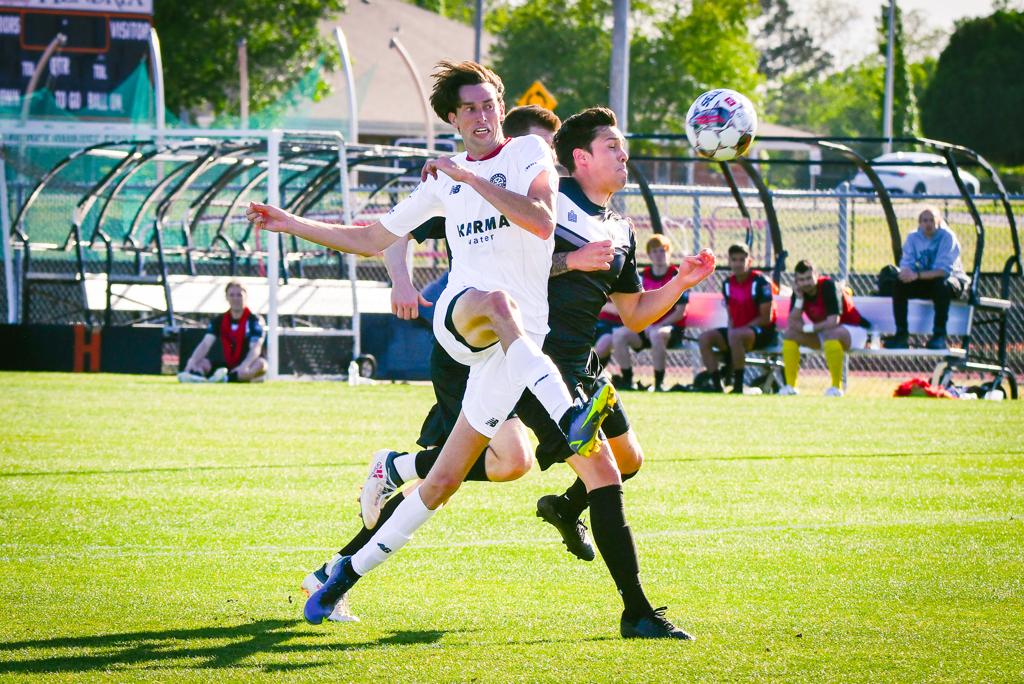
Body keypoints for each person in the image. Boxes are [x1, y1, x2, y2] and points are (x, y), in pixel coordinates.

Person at [303, 107, 716, 639]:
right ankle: (637, 612)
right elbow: (403, 229)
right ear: (578, 159)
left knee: (598, 462)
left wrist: (681, 282)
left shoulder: (620, 227)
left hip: (580, 365)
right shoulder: (538, 199)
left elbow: (633, 312)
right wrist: (403, 281)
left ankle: (395, 503)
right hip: (524, 357)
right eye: (611, 145)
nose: (623, 153)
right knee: (595, 474)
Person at [248, 61, 618, 626]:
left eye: (489, 103)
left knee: (444, 480)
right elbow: (373, 238)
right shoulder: (443, 179)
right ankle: (569, 414)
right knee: (497, 301)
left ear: (501, 106)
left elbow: (542, 223)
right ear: (452, 118)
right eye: (469, 108)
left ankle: (337, 578)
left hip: (521, 342)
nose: (482, 115)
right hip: (464, 314)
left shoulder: (526, 154)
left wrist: (473, 180)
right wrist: (288, 222)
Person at [883, 206, 970, 351]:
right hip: (926, 281)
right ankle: (901, 334)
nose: (928, 224)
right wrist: (906, 274)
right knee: (899, 283)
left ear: (939, 221)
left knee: (941, 284)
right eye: (924, 220)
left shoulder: (947, 237)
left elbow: (943, 271)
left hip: (952, 281)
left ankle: (939, 336)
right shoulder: (913, 238)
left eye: (932, 220)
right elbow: (906, 265)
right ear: (919, 223)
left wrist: (916, 275)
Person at [779, 260, 870, 397]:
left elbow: (834, 321)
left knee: (831, 333)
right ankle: (790, 387)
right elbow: (792, 323)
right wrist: (798, 299)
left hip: (854, 330)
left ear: (817, 275)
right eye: (801, 280)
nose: (805, 283)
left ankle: (836, 388)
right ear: (796, 281)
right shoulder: (799, 292)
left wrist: (806, 329)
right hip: (826, 332)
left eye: (809, 278)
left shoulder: (828, 285)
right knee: (790, 334)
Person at [610, 234, 688, 392]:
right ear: (649, 254)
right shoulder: (642, 276)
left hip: (668, 329)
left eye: (663, 250)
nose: (659, 255)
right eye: (655, 251)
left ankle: (659, 384)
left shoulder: (676, 275)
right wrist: (645, 324)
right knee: (618, 335)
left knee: (656, 334)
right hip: (645, 327)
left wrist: (657, 325)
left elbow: (680, 312)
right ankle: (628, 381)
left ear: (669, 252)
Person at [696, 242, 777, 393]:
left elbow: (766, 318)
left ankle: (738, 386)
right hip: (737, 333)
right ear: (729, 262)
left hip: (762, 333)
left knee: (735, 336)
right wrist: (733, 331)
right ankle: (717, 385)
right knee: (704, 338)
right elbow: (731, 316)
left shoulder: (761, 283)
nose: (738, 264)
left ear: (750, 261)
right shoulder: (727, 284)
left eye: (742, 259)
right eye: (734, 260)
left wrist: (738, 331)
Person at [177, 281, 268, 383]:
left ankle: (230, 378)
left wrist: (244, 366)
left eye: (239, 295)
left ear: (246, 297)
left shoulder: (254, 321)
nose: (235, 299)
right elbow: (205, 344)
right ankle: (198, 376)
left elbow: (256, 347)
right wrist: (192, 362)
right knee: (201, 363)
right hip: (225, 365)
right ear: (226, 297)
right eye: (232, 295)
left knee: (261, 364)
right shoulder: (220, 320)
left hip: (246, 364)